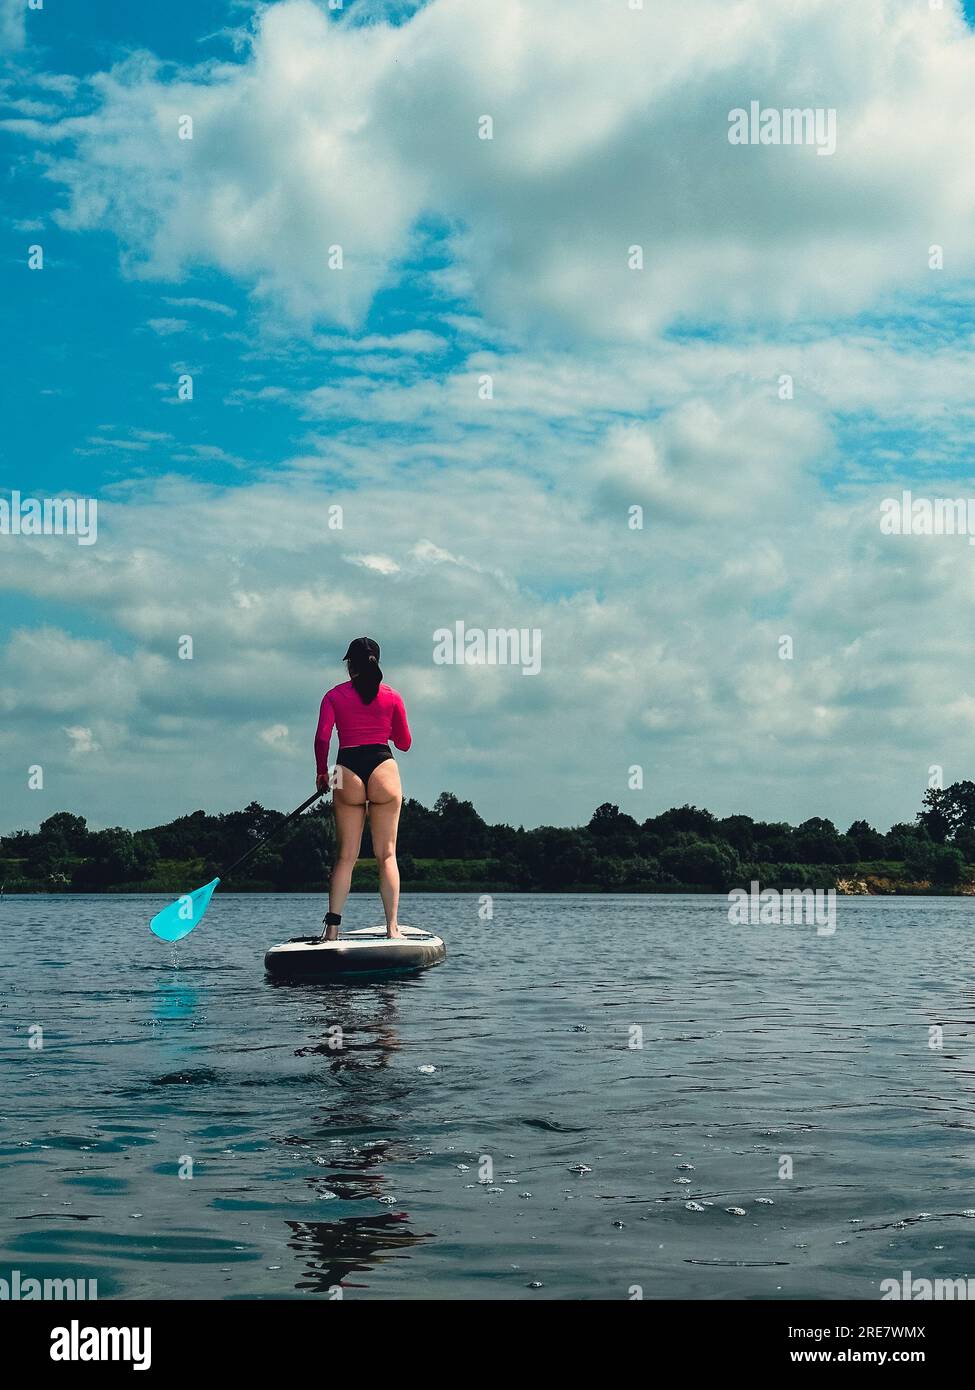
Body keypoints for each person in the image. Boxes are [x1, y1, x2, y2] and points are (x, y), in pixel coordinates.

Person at [314, 637, 412, 940]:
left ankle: (332, 931)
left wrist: (321, 773)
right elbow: (405, 743)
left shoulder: (333, 696)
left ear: (349, 665)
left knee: (345, 857)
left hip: (346, 770)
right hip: (383, 767)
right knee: (387, 855)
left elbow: (321, 739)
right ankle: (393, 929)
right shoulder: (392, 696)